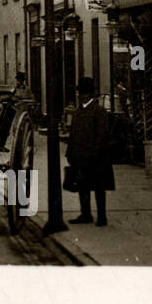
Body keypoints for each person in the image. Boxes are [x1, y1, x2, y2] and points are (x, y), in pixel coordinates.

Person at [67, 76, 114, 227]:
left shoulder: (98, 111)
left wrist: (95, 152)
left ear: (90, 94)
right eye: (81, 92)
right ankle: (85, 214)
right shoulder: (78, 111)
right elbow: (73, 133)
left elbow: (102, 135)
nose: (82, 95)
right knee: (83, 186)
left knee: (99, 187)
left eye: (85, 93)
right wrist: (70, 152)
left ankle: (102, 216)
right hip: (80, 155)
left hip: (96, 156)